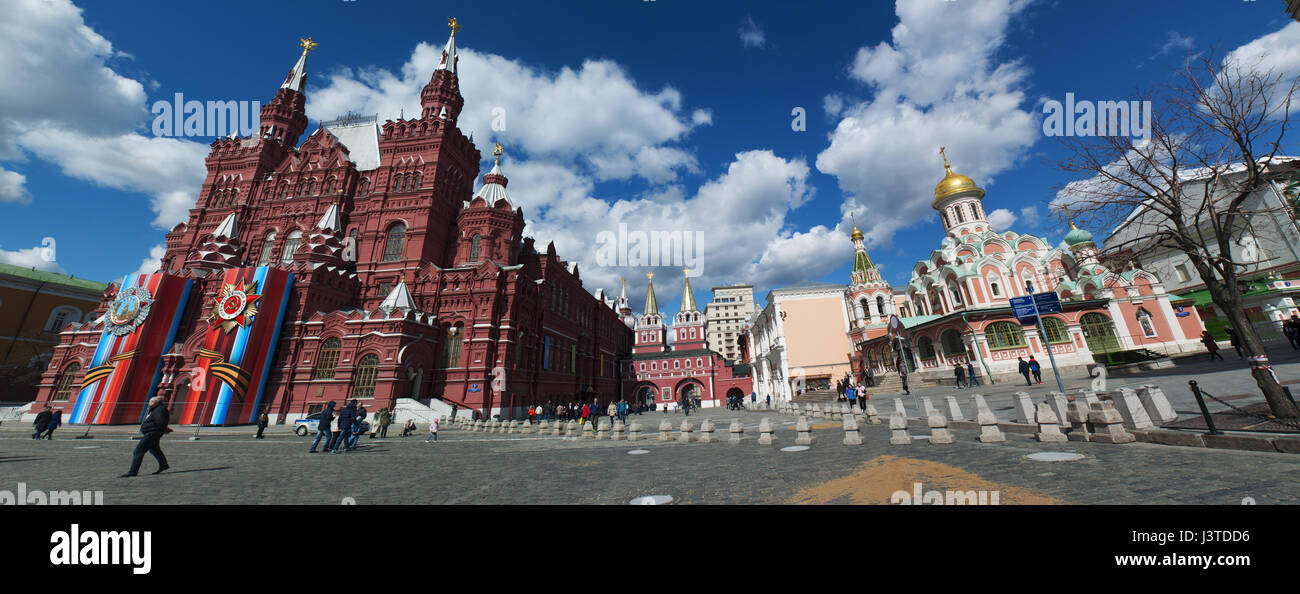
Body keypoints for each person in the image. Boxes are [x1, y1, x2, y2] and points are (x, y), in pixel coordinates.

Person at [120, 396, 170, 477]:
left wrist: (147, 427)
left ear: (154, 402)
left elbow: (159, 423)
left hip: (152, 433)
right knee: (154, 450)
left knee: (138, 451)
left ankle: (133, 471)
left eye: (150, 402)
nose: (149, 403)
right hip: (153, 433)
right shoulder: (158, 409)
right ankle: (164, 464)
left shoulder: (159, 410)